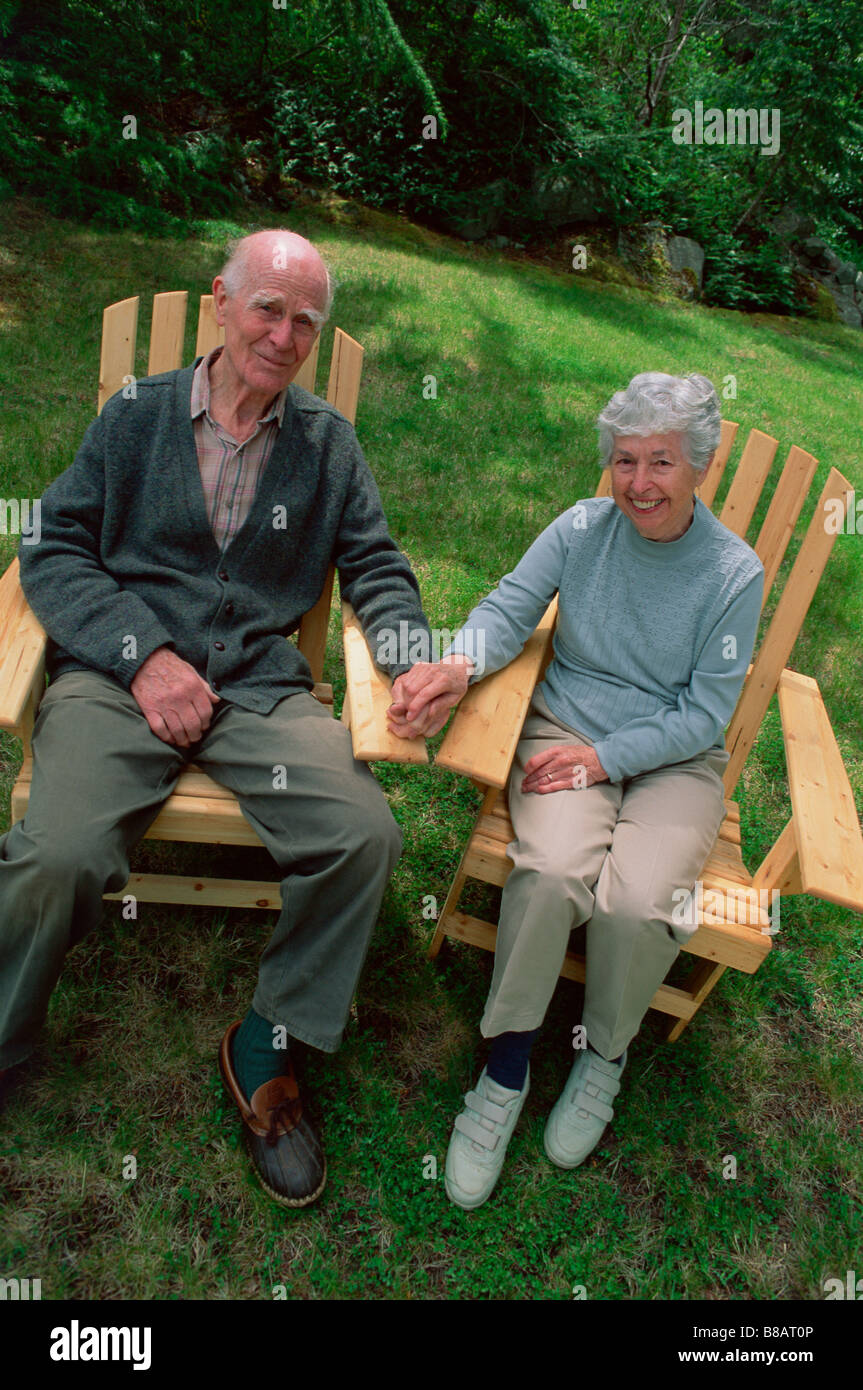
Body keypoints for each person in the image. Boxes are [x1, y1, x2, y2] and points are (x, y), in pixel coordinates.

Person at [0, 229, 433, 1209]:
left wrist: (406, 652)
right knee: (59, 853)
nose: (282, 335)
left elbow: (374, 565)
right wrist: (140, 654)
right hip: (119, 680)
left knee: (362, 836)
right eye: (267, 309)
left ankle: (267, 1038)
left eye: (305, 321)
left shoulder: (326, 443)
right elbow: (53, 544)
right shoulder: (135, 416)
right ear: (220, 305)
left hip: (255, 689)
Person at [388, 372, 764, 1209]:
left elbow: (706, 713)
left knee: (638, 900)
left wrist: (608, 759)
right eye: (624, 461)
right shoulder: (580, 528)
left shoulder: (735, 574)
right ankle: (506, 1067)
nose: (639, 483)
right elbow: (508, 608)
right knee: (552, 872)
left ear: (697, 465)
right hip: (562, 733)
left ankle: (603, 1056)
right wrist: (454, 664)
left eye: (660, 462)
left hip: (675, 756)